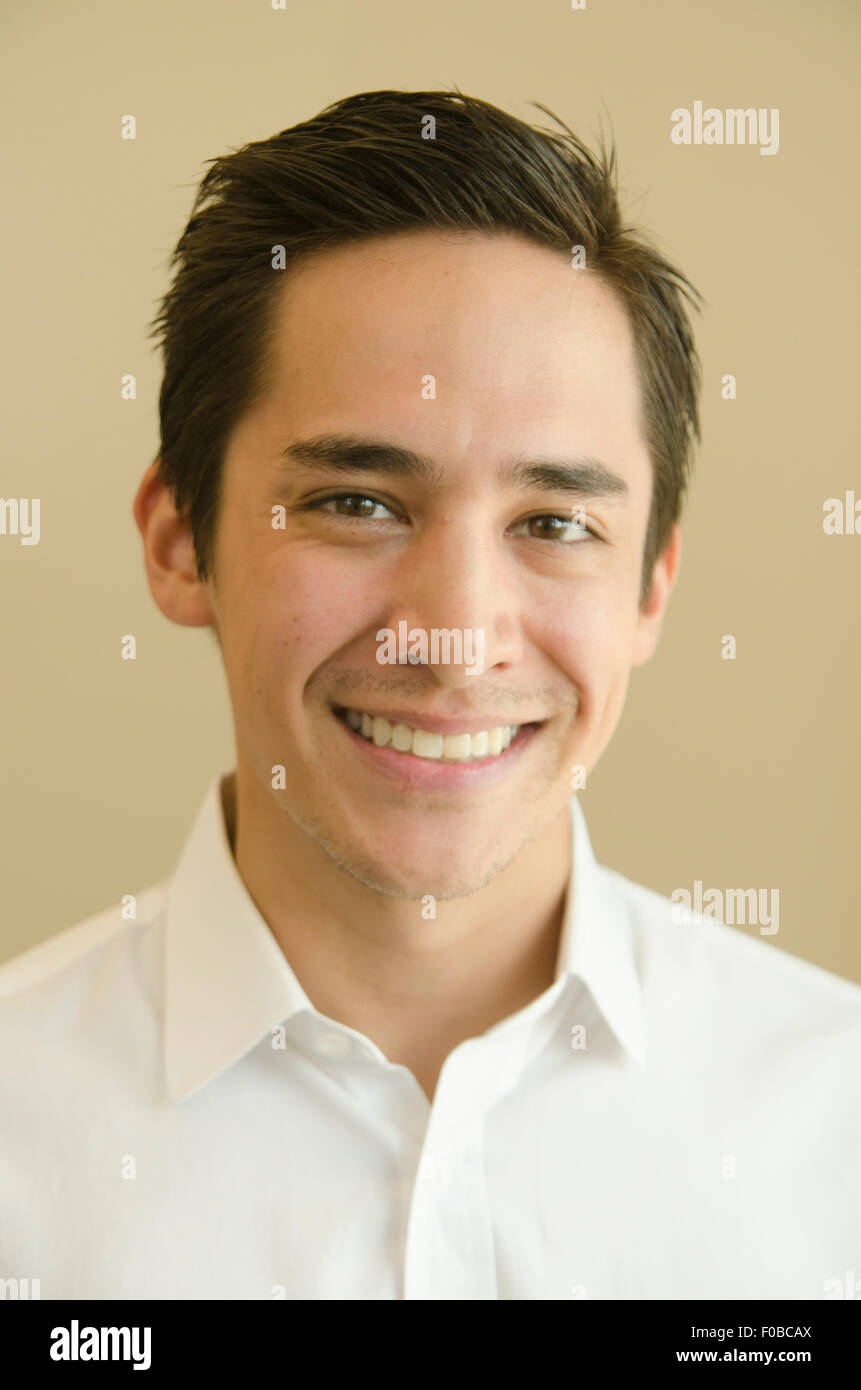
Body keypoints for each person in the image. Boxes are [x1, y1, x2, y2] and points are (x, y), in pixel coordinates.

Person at [2, 89, 858, 1301]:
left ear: (650, 590)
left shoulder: (838, 1130)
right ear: (181, 540)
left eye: (555, 523)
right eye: (358, 502)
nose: (454, 641)